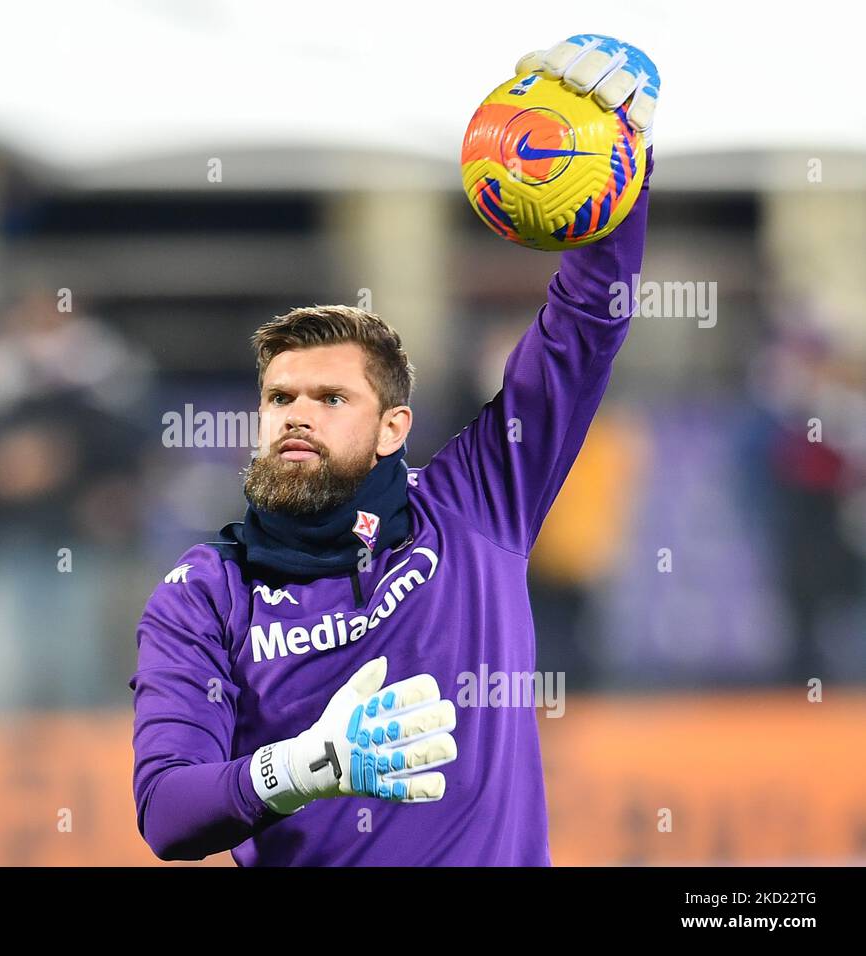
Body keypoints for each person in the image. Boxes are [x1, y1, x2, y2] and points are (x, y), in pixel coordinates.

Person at [130, 34, 659, 865]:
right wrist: (304, 767)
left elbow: (588, 321)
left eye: (331, 397)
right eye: (279, 398)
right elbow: (167, 811)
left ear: (393, 430)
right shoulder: (204, 597)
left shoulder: (478, 505)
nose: (295, 416)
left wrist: (621, 163)